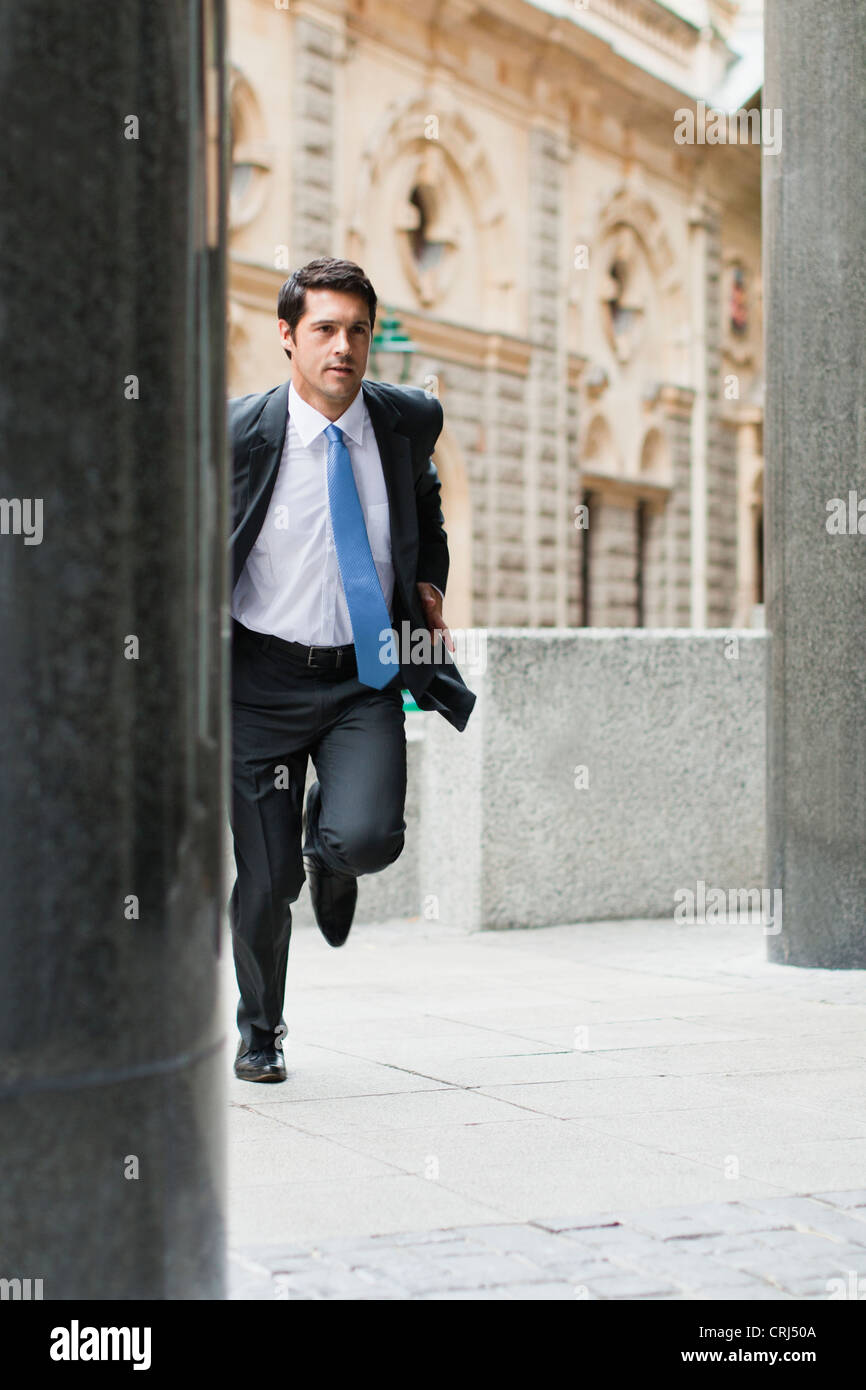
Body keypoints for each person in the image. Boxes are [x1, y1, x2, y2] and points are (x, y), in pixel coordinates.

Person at [228, 257, 476, 1082]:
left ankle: (331, 854)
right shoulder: (236, 435)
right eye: (325, 330)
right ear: (288, 337)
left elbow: (428, 513)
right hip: (257, 682)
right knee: (265, 887)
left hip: (362, 679)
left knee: (369, 838)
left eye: (357, 331)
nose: (343, 347)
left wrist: (431, 580)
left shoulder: (407, 422)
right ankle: (261, 1031)